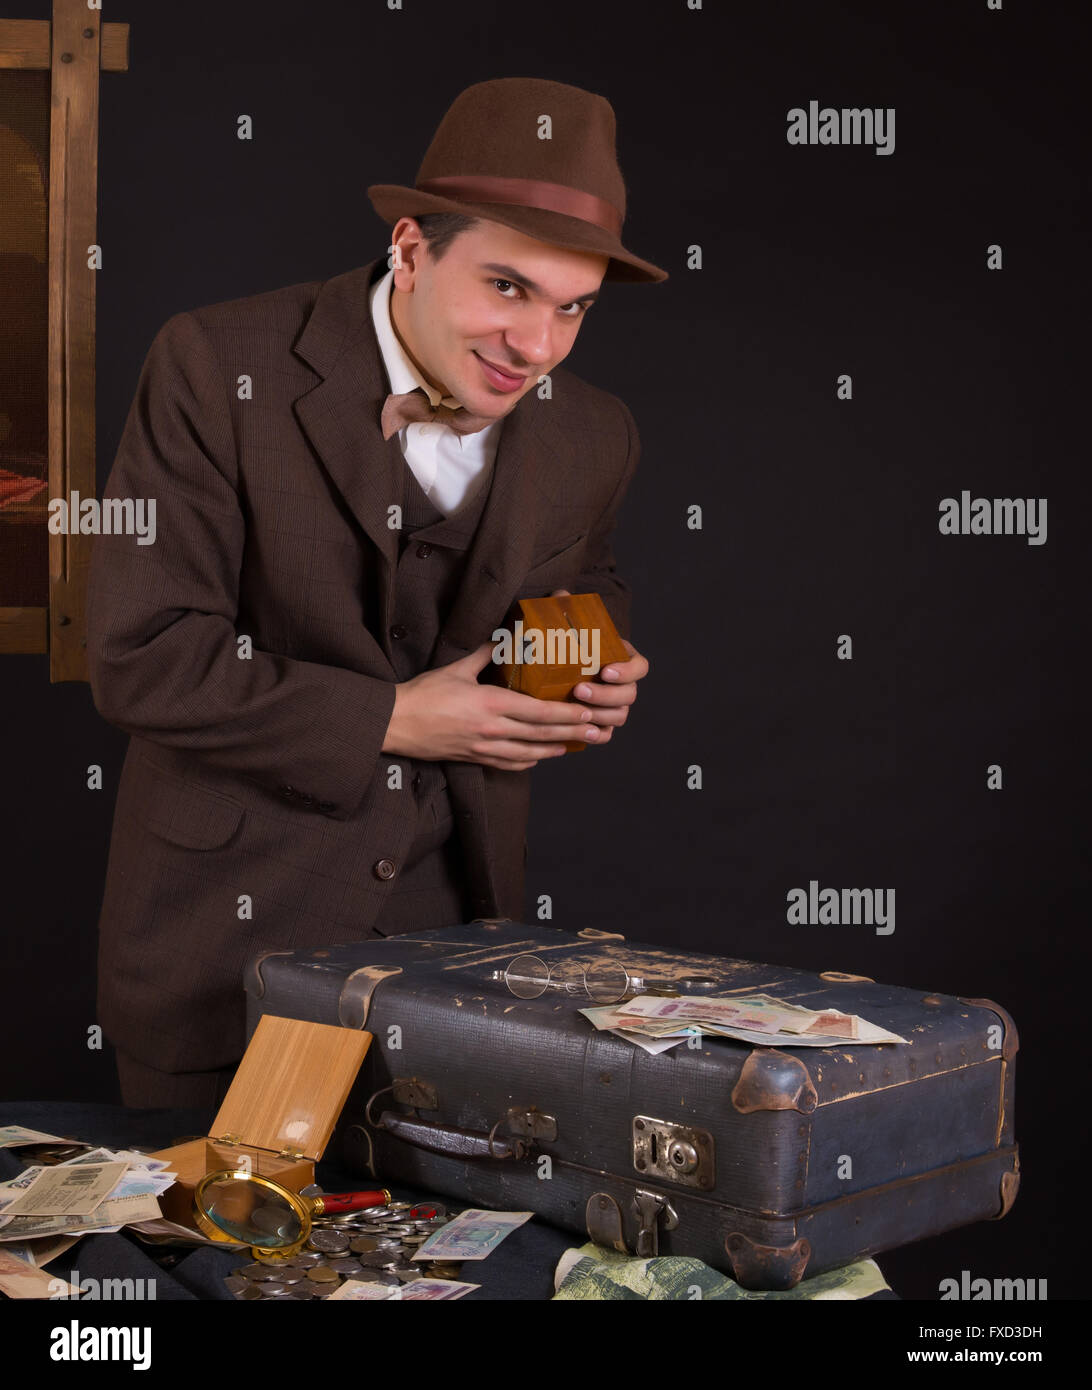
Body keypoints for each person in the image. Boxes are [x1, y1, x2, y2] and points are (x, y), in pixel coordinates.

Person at [86, 77, 665, 1108]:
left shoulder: (595, 431)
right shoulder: (215, 365)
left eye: (572, 307)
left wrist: (588, 671)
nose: (537, 347)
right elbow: (144, 653)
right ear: (410, 249)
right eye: (506, 287)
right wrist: (397, 717)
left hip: (462, 970)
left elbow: (583, 589)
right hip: (221, 949)